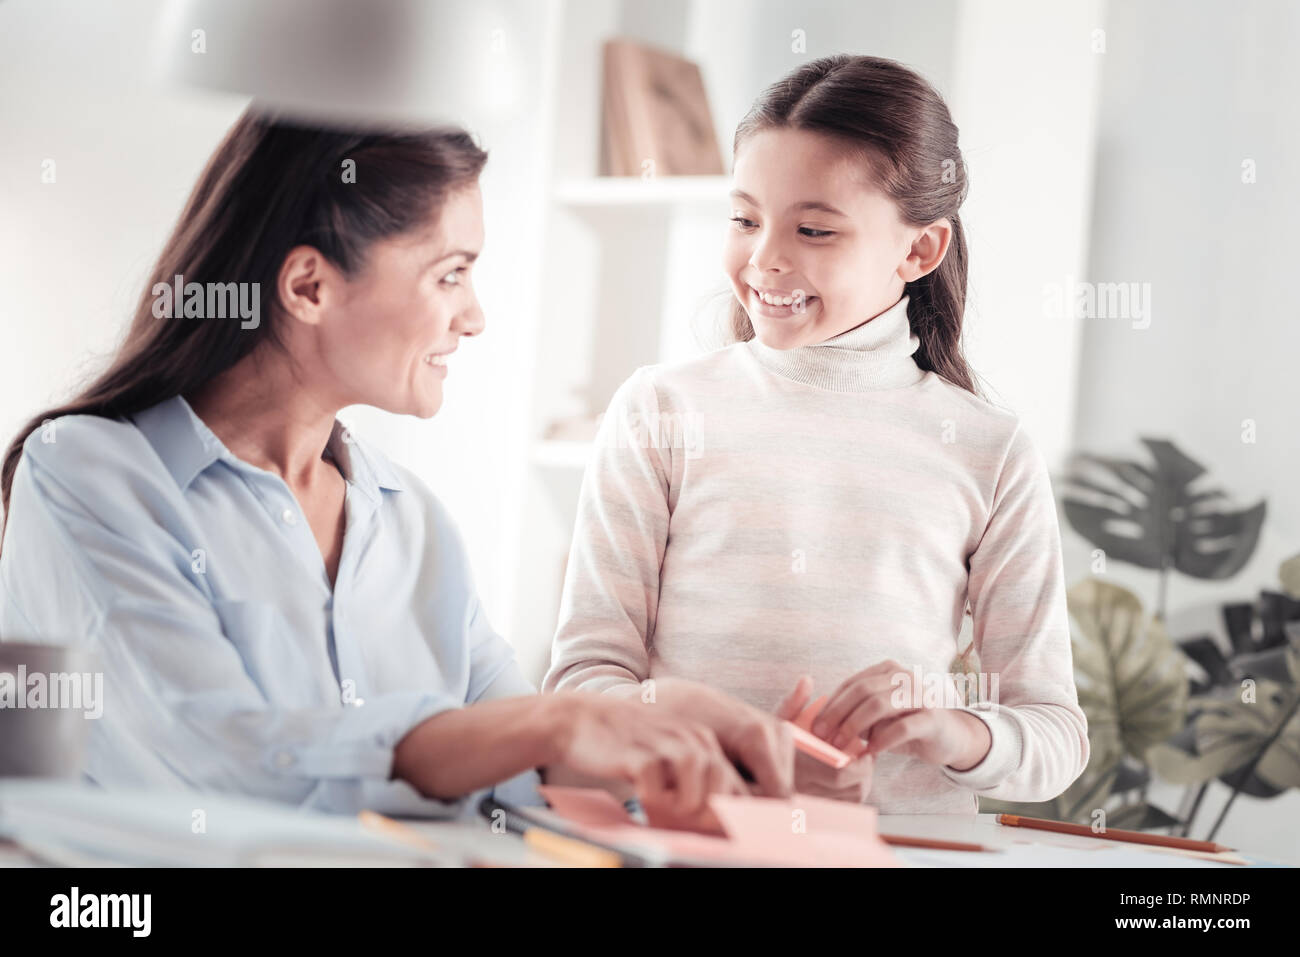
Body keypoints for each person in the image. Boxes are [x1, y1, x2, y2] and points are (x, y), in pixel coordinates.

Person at [0, 108, 794, 819]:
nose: (475, 315)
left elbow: (527, 769)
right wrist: (552, 724)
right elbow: (218, 759)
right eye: (450, 272)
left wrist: (672, 730)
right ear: (308, 285)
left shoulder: (410, 518)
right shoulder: (87, 473)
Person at [544, 55, 1090, 813]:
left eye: (813, 228)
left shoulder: (987, 449)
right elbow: (583, 680)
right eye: (743, 219)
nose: (764, 257)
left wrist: (950, 730)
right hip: (690, 837)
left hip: (902, 851)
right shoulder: (660, 410)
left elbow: (1053, 732)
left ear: (919, 251)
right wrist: (725, 743)